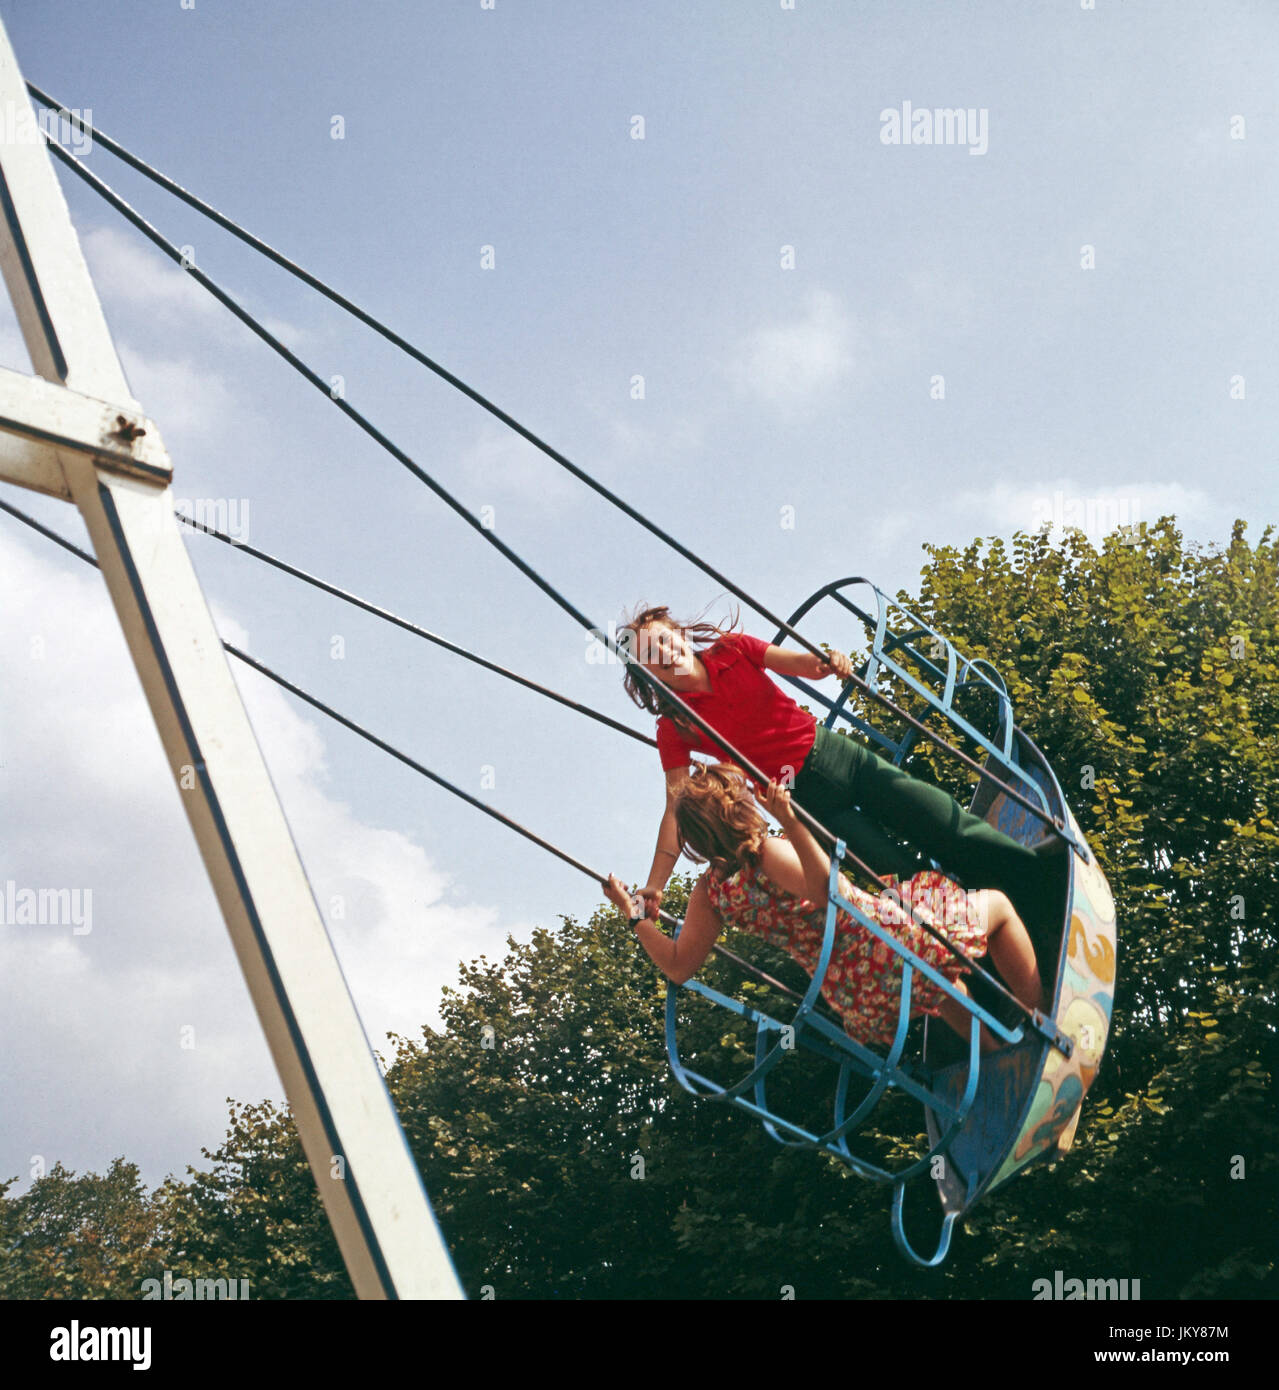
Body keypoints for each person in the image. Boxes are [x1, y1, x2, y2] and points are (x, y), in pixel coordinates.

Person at [617, 604, 1062, 933]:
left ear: (678, 633)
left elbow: (798, 664)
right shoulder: (676, 726)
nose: (664, 653)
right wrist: (655, 886)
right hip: (805, 804)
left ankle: (1040, 879)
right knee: (894, 873)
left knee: (939, 818)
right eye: (650, 655)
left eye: (664, 639)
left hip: (837, 756)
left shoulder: (732, 651)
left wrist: (828, 661)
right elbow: (678, 806)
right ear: (647, 674)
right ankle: (976, 938)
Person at [603, 764, 1045, 1053]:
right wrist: (792, 820)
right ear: (736, 807)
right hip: (888, 940)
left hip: (856, 992)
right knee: (998, 909)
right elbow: (824, 890)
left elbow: (679, 966)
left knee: (940, 982)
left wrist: (635, 917)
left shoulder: (712, 893)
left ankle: (993, 1054)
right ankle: (1036, 1021)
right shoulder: (767, 854)